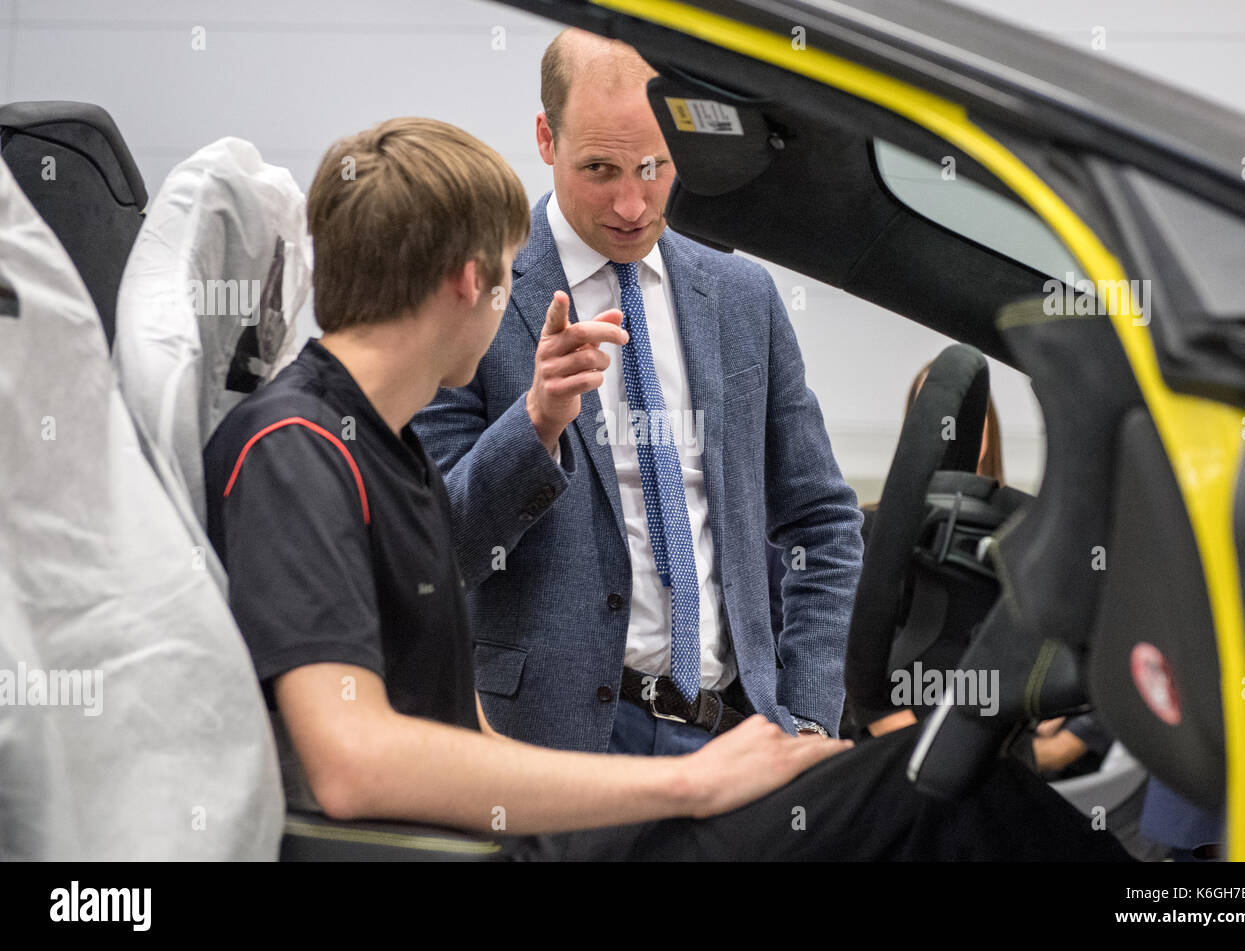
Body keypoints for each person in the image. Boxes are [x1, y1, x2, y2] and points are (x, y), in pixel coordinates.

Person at [204, 114, 1130, 861]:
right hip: (505, 838)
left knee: (935, 782)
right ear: (471, 281)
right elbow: (353, 765)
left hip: (561, 824)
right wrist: (685, 786)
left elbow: (471, 734)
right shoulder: (294, 447)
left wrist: (744, 755)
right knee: (938, 796)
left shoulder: (381, 449)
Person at [411, 29, 864, 755]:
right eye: (600, 168)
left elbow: (822, 524)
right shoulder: (473, 292)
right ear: (544, 138)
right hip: (549, 747)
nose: (631, 203)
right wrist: (535, 425)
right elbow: (434, 551)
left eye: (655, 166)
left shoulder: (743, 297)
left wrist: (807, 716)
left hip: (733, 735)